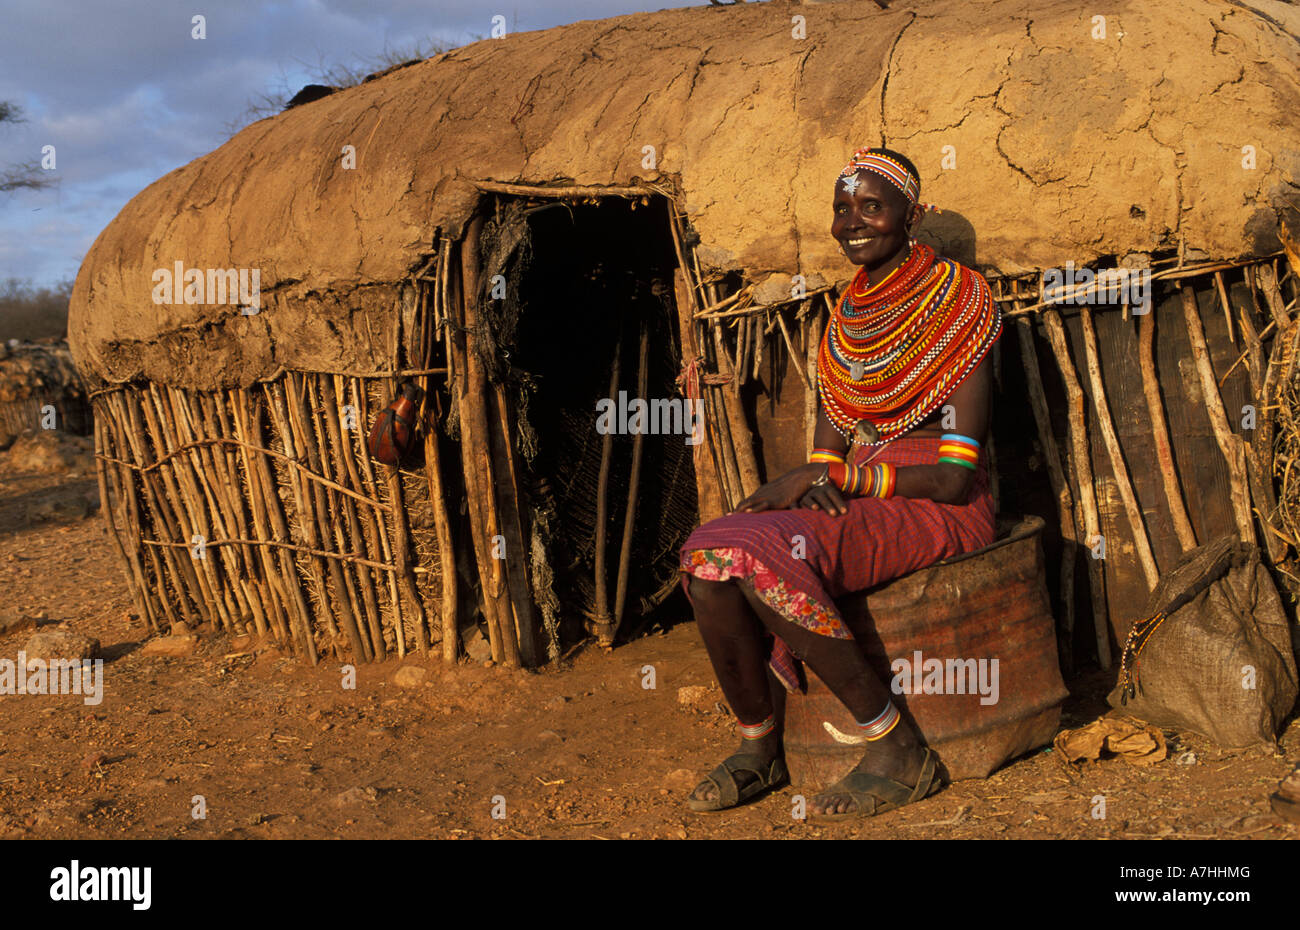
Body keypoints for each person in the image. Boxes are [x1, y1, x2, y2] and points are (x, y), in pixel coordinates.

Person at [678, 147, 1001, 821]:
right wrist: (823, 481)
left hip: (938, 504)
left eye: (871, 206)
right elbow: (829, 458)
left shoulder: (960, 302)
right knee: (708, 553)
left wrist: (847, 478)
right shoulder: (843, 325)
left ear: (911, 216)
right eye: (842, 207)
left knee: (751, 552)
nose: (852, 222)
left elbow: (952, 477)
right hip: (865, 492)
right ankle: (759, 744)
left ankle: (898, 747)